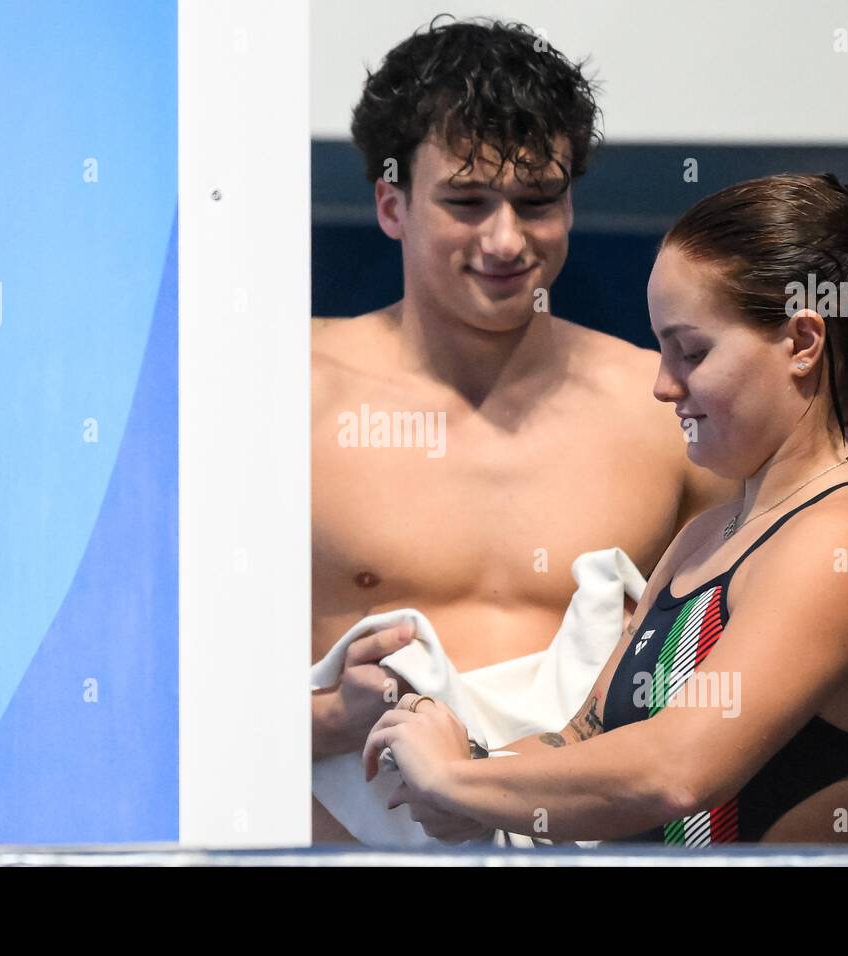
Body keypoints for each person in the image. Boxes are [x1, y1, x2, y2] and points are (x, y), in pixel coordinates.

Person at [363, 171, 848, 844]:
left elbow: (678, 769)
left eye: (692, 351)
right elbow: (580, 741)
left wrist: (455, 782)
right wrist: (473, 773)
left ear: (802, 343)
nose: (665, 385)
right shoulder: (706, 537)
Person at [312, 16, 739, 842]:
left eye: (537, 201)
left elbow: (753, 678)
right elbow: (155, 688)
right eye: (467, 203)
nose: (506, 240)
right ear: (392, 204)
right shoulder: (286, 399)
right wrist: (330, 718)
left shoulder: (664, 407)